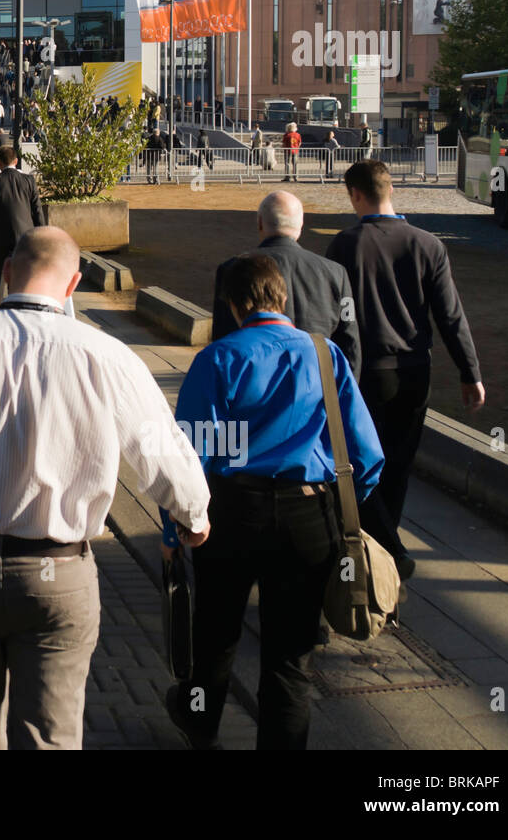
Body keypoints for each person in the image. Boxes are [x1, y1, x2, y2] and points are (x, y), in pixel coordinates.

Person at [0, 227, 211, 749]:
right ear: (75, 282)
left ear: (7, 271)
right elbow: (162, 451)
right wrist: (192, 515)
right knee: (51, 734)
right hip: (61, 576)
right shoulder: (109, 356)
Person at [166, 253, 383, 751]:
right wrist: (344, 507)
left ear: (236, 304)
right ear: (281, 298)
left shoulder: (217, 359)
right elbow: (368, 455)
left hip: (232, 512)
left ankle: (199, 725)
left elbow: (190, 454)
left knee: (215, 638)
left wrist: (173, 529)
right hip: (309, 514)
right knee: (290, 657)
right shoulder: (327, 354)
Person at [326, 161, 484, 579]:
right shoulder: (428, 245)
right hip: (415, 371)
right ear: (390, 189)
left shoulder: (344, 246)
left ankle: (384, 553)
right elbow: (450, 316)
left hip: (363, 373)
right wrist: (471, 373)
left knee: (360, 463)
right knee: (398, 465)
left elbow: (334, 318)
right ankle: (389, 552)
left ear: (355, 194)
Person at [211, 190, 360, 376]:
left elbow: (222, 337)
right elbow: (350, 341)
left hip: (256, 383)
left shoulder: (233, 269)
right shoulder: (335, 273)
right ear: (301, 224)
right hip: (317, 385)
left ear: (259, 223)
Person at [0, 144, 44, 310]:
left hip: (0, 236)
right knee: (24, 275)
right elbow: (37, 211)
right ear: (16, 161)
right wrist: (40, 234)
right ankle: (23, 306)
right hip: (26, 236)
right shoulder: (29, 180)